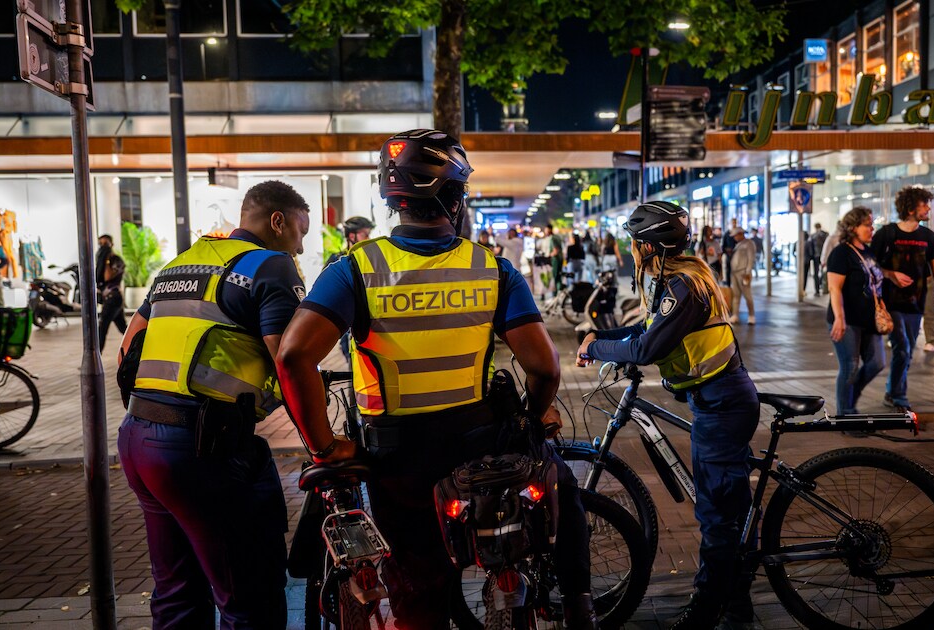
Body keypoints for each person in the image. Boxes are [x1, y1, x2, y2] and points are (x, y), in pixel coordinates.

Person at [275, 130, 596, 629]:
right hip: (478, 447)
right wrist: (533, 418)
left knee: (417, 590)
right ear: (454, 198)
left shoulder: (354, 270)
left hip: (397, 459)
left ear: (393, 198)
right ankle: (579, 605)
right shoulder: (491, 268)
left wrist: (323, 446)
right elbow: (545, 368)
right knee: (562, 490)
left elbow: (294, 356)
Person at [116, 180, 310, 628]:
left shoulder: (182, 262)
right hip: (203, 450)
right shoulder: (272, 265)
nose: (300, 246)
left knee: (177, 593)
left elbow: (129, 348)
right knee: (250, 597)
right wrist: (321, 443)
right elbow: (289, 361)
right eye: (300, 231)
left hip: (140, 440)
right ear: (277, 222)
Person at [577, 201, 757, 630]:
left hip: (722, 403)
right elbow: (648, 331)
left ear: (650, 246)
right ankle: (737, 602)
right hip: (716, 399)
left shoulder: (683, 286)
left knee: (716, 516)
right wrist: (600, 337)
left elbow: (647, 349)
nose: (631, 250)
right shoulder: (676, 276)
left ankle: (709, 609)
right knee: (733, 511)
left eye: (635, 243)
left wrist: (598, 349)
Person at [871, 187, 934, 413]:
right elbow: (872, 266)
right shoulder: (887, 234)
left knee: (906, 350)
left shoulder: (927, 236)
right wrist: (891, 274)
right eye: (924, 204)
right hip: (890, 303)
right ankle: (897, 395)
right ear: (910, 208)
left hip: (916, 304)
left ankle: (893, 391)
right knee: (903, 347)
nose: (928, 208)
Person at [826, 207, 886, 415]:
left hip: (869, 319)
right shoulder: (841, 252)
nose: (872, 228)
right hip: (848, 319)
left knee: (877, 362)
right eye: (867, 225)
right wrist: (839, 318)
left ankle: (851, 396)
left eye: (872, 224)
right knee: (849, 367)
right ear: (853, 227)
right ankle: (845, 413)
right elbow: (834, 288)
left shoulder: (868, 252)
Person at [326, 216, 376, 363]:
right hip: (345, 322)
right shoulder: (337, 260)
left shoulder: (371, 258)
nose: (369, 238)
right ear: (352, 235)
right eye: (365, 234)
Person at [97, 242, 127, 351]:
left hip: (113, 298)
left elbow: (107, 277)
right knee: (123, 328)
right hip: (110, 298)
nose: (102, 246)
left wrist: (106, 261)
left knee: (101, 329)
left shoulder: (116, 260)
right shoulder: (102, 260)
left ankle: (96, 358)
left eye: (104, 243)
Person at [728, 227, 757, 325]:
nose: (734, 237)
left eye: (735, 235)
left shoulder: (749, 243)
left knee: (747, 294)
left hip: (743, 273)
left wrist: (748, 272)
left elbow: (751, 258)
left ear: (740, 234)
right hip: (735, 273)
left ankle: (751, 315)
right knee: (736, 295)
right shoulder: (739, 244)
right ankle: (735, 315)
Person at [805, 223, 828, 296]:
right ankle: (824, 287)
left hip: (815, 257)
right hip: (823, 256)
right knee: (824, 272)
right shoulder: (825, 234)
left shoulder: (813, 235)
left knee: (816, 273)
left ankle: (817, 290)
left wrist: (811, 256)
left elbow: (811, 247)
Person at [721, 218, 739, 285]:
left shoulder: (738, 233)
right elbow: (723, 245)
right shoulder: (727, 233)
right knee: (728, 269)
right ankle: (729, 284)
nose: (734, 224)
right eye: (733, 222)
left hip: (737, 254)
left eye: (735, 222)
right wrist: (726, 251)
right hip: (729, 254)